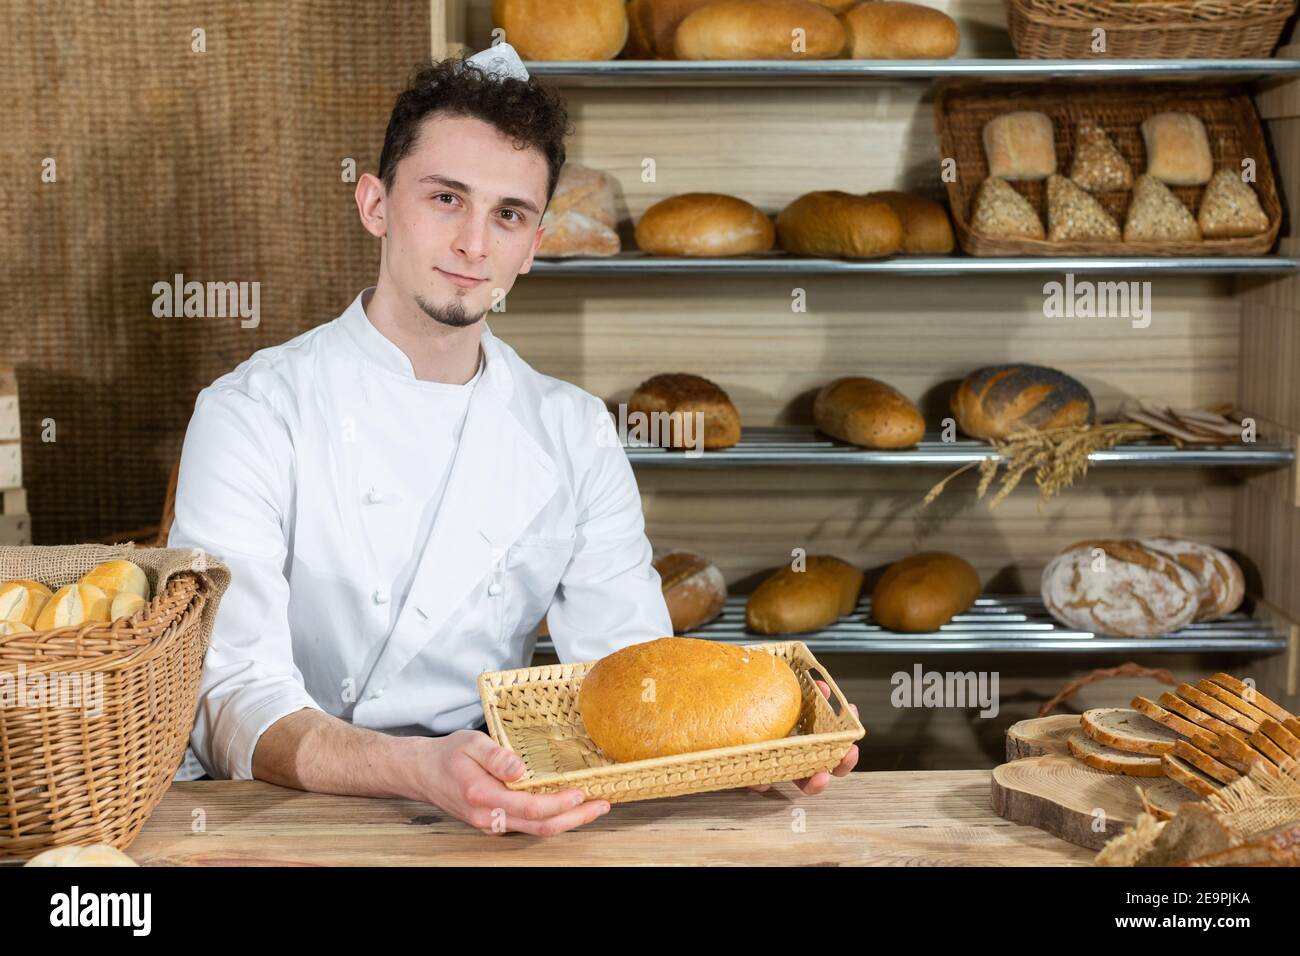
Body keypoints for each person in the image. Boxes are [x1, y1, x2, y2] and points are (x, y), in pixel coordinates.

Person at [168, 43, 858, 836]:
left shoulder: (573, 433)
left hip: (494, 808)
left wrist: (754, 757)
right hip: (274, 815)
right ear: (375, 204)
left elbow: (634, 683)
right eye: (445, 198)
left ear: (533, 248)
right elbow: (232, 698)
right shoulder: (252, 412)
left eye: (509, 215)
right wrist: (413, 770)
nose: (474, 244)